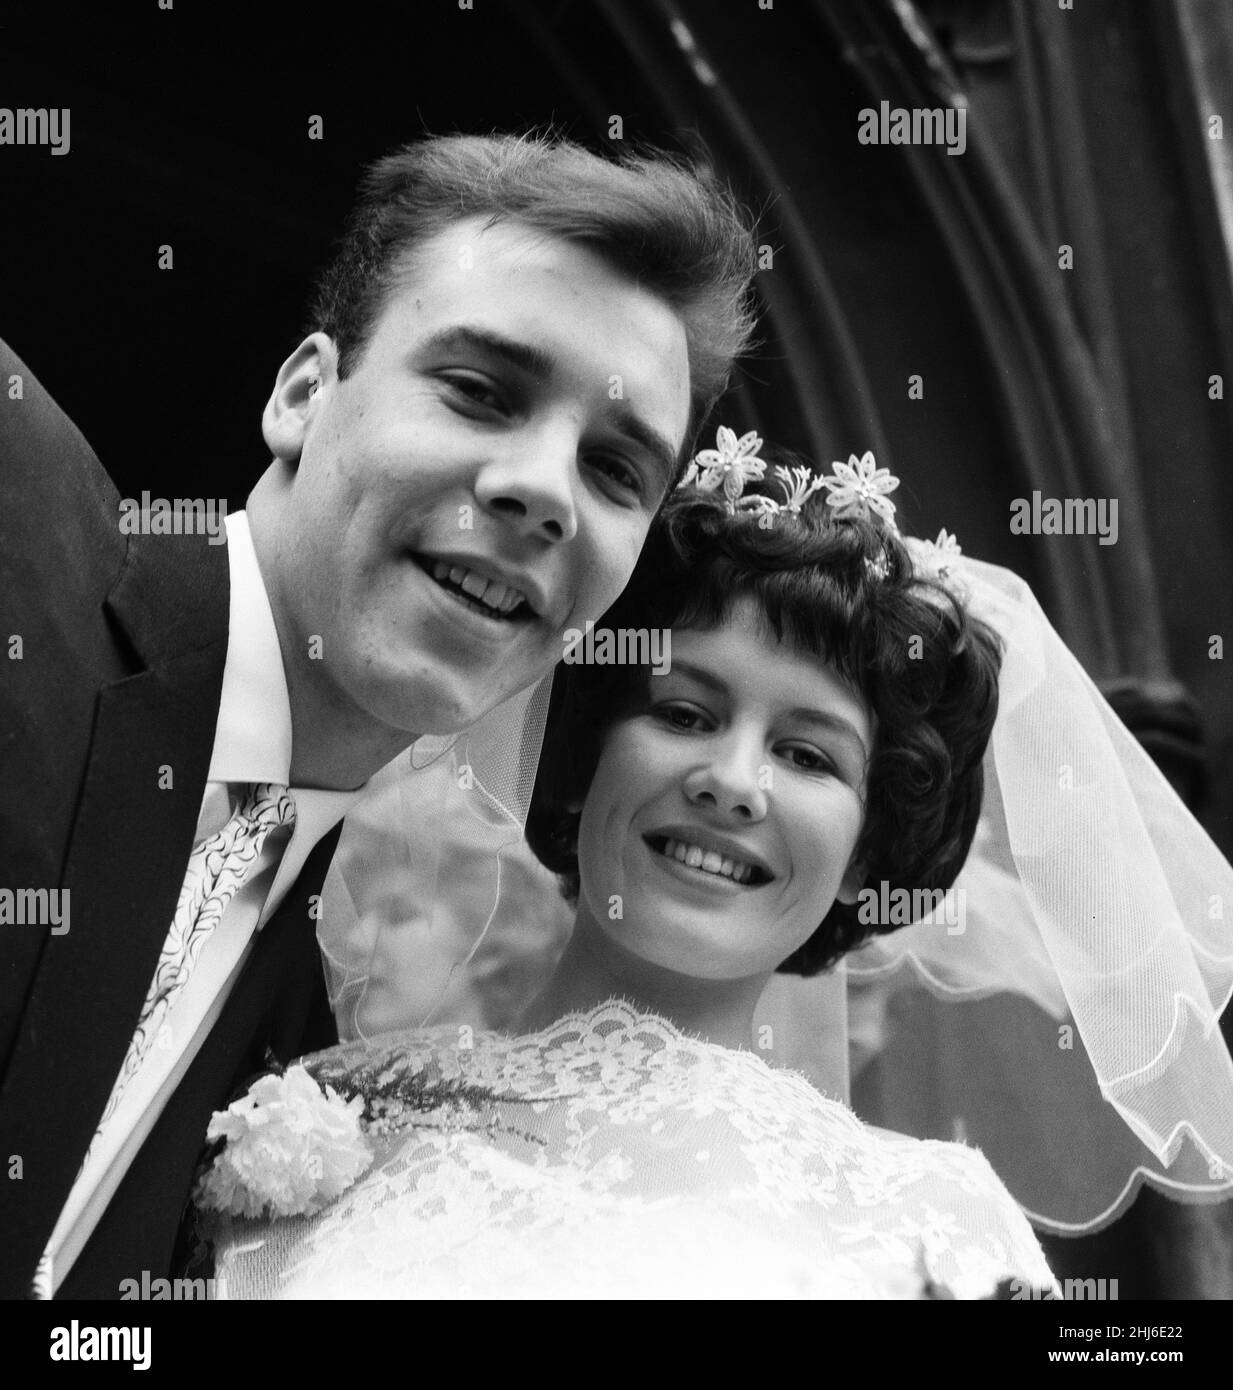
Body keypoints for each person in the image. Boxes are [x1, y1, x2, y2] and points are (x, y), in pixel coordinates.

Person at [0, 132, 758, 1299]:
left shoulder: (312, 1039)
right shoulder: (15, 505)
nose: (543, 491)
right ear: (305, 393)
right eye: (479, 391)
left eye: (615, 473)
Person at [197, 436, 1061, 1298]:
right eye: (683, 713)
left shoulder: (932, 1226)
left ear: (863, 854)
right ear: (579, 763)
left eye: (806, 756)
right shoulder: (319, 1117)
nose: (731, 785)